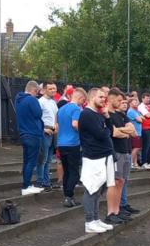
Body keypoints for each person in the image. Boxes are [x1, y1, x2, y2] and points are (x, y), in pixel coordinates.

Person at [79, 88, 115, 233]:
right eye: (101, 97)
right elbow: (102, 134)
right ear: (92, 97)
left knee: (99, 189)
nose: (103, 100)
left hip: (104, 156)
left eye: (104, 97)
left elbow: (110, 131)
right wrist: (106, 130)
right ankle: (89, 221)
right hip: (93, 157)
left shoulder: (99, 115)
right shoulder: (86, 114)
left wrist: (107, 117)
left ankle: (95, 218)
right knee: (91, 188)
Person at [106, 88, 134, 225]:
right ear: (111, 99)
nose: (122, 103)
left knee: (121, 181)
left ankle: (117, 211)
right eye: (119, 100)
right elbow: (114, 133)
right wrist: (124, 131)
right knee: (115, 181)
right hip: (115, 151)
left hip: (124, 151)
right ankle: (111, 213)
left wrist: (122, 131)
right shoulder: (108, 115)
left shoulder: (121, 115)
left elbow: (133, 131)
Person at [57, 88, 86, 207]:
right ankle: (69, 195)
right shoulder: (76, 109)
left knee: (67, 171)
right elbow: (75, 124)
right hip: (73, 143)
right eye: (83, 100)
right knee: (74, 172)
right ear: (80, 98)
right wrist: (85, 130)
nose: (83, 103)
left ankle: (68, 196)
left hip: (61, 144)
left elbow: (58, 126)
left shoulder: (61, 109)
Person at [15, 80, 44, 196]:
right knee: (31, 161)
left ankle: (26, 184)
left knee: (27, 160)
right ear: (33, 90)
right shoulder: (32, 99)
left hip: (23, 133)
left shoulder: (19, 100)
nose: (37, 95)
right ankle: (26, 186)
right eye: (37, 92)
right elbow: (38, 114)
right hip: (33, 134)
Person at [37, 82, 59, 190]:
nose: (53, 91)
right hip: (45, 131)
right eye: (50, 89)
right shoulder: (40, 102)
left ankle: (46, 182)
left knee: (49, 159)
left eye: (54, 89)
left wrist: (56, 125)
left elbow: (55, 116)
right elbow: (36, 118)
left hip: (53, 131)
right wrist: (43, 129)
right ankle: (40, 182)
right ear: (45, 89)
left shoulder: (53, 102)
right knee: (43, 159)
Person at [127, 97, 144, 168]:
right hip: (134, 132)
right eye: (135, 102)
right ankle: (131, 163)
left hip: (139, 132)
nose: (137, 103)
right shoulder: (131, 111)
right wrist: (140, 118)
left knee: (137, 148)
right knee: (136, 148)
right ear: (130, 103)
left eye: (137, 101)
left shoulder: (136, 111)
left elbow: (143, 118)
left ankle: (135, 163)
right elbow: (140, 120)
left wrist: (140, 117)